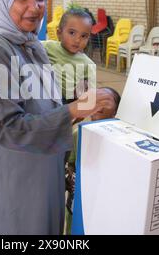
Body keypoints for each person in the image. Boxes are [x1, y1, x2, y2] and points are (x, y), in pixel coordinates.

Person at [0, 0, 115, 235]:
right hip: (15, 188)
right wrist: (74, 109)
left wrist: (85, 107)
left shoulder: (31, 46)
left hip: (42, 175)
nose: (34, 6)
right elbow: (8, 128)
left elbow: (45, 103)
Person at [64, 87, 121, 235]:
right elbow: (70, 163)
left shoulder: (119, 141)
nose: (97, 105)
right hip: (75, 206)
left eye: (105, 101)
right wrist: (70, 177)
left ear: (116, 111)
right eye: (94, 100)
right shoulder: (77, 134)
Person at [43, 8, 95, 104]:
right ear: (59, 33)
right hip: (44, 93)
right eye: (72, 33)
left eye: (83, 36)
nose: (77, 40)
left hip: (66, 101)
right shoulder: (47, 46)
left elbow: (89, 89)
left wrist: (83, 88)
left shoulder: (88, 64)